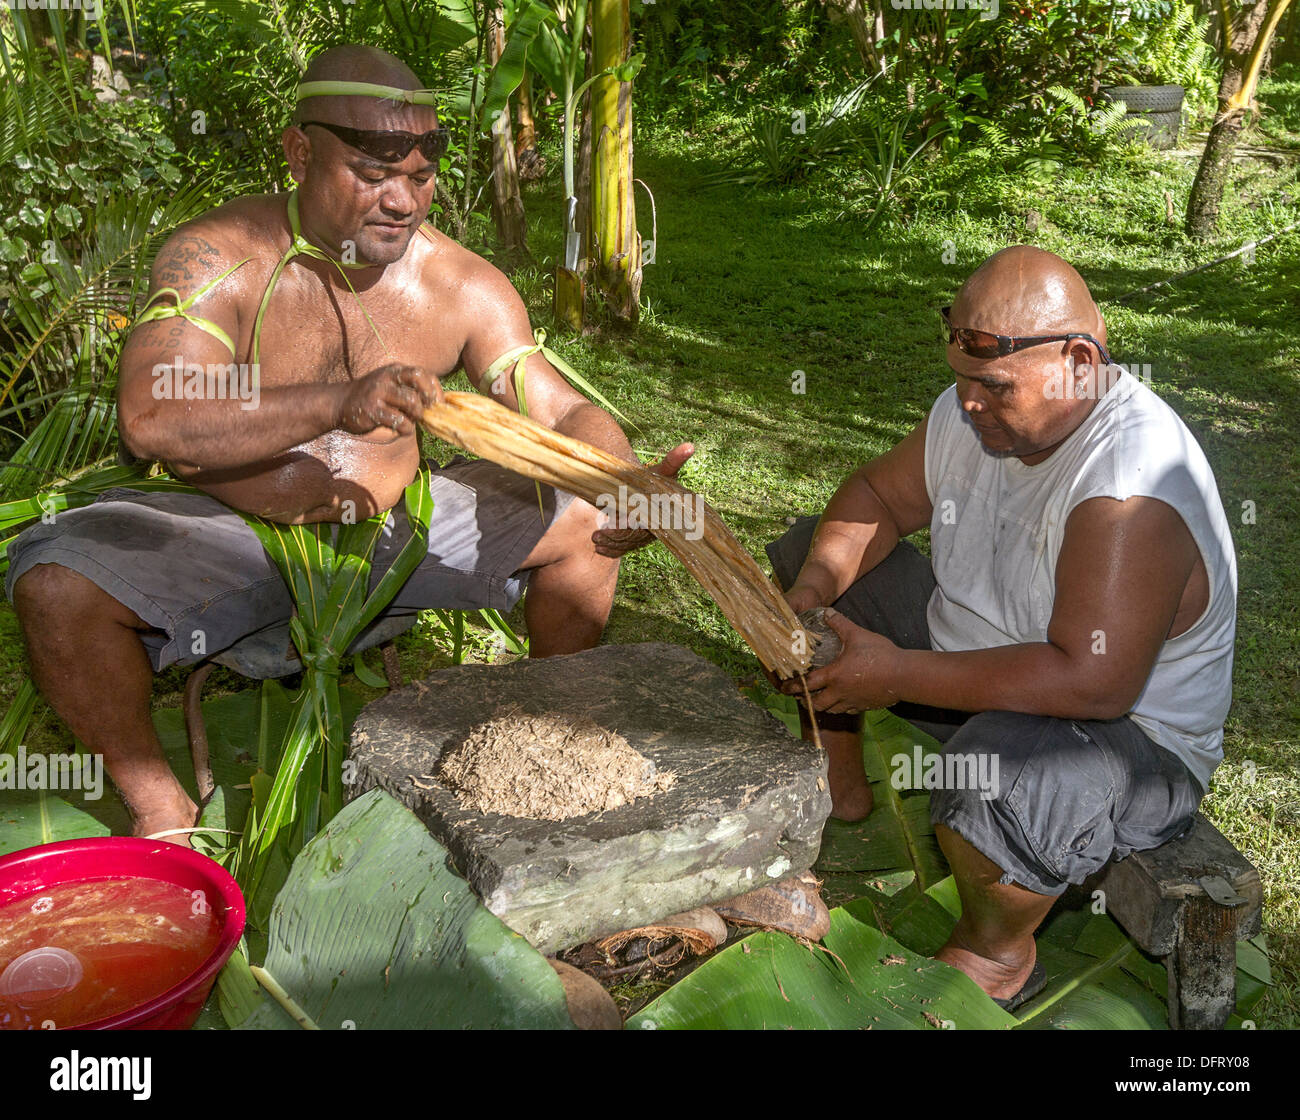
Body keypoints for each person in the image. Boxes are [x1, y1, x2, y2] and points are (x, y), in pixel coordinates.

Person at [6, 45, 690, 843]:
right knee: (58, 584)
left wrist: (622, 477)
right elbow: (154, 415)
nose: (403, 201)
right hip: (233, 532)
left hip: (400, 531)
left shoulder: (460, 284)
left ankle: (539, 745)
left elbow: (560, 408)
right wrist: (337, 400)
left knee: (582, 517)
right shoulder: (217, 256)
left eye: (422, 178)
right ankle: (161, 808)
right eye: (372, 174)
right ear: (301, 153)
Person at [766, 245, 1237, 1008]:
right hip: (978, 666)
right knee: (808, 553)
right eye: (961, 381)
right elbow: (875, 499)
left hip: (1126, 739)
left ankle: (1000, 952)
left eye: (992, 387)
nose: (970, 404)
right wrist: (815, 592)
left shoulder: (1130, 483)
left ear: (1080, 362)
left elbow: (1093, 682)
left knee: (992, 776)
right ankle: (841, 784)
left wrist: (892, 675)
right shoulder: (971, 411)